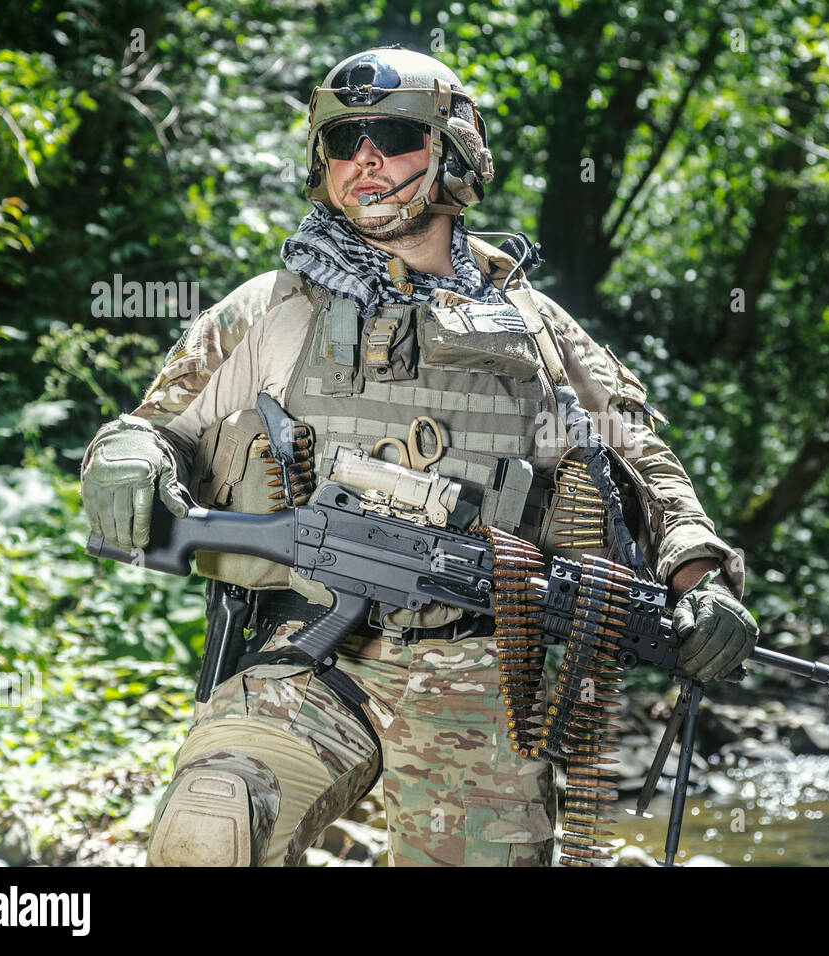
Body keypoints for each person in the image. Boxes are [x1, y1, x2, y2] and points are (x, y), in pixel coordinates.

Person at [80, 47, 757, 867]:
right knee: (210, 827)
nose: (364, 160)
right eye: (343, 140)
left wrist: (700, 580)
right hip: (307, 648)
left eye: (394, 134)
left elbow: (646, 469)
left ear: (454, 150)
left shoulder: (534, 327)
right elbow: (158, 426)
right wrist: (126, 457)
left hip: (483, 669)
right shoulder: (274, 309)